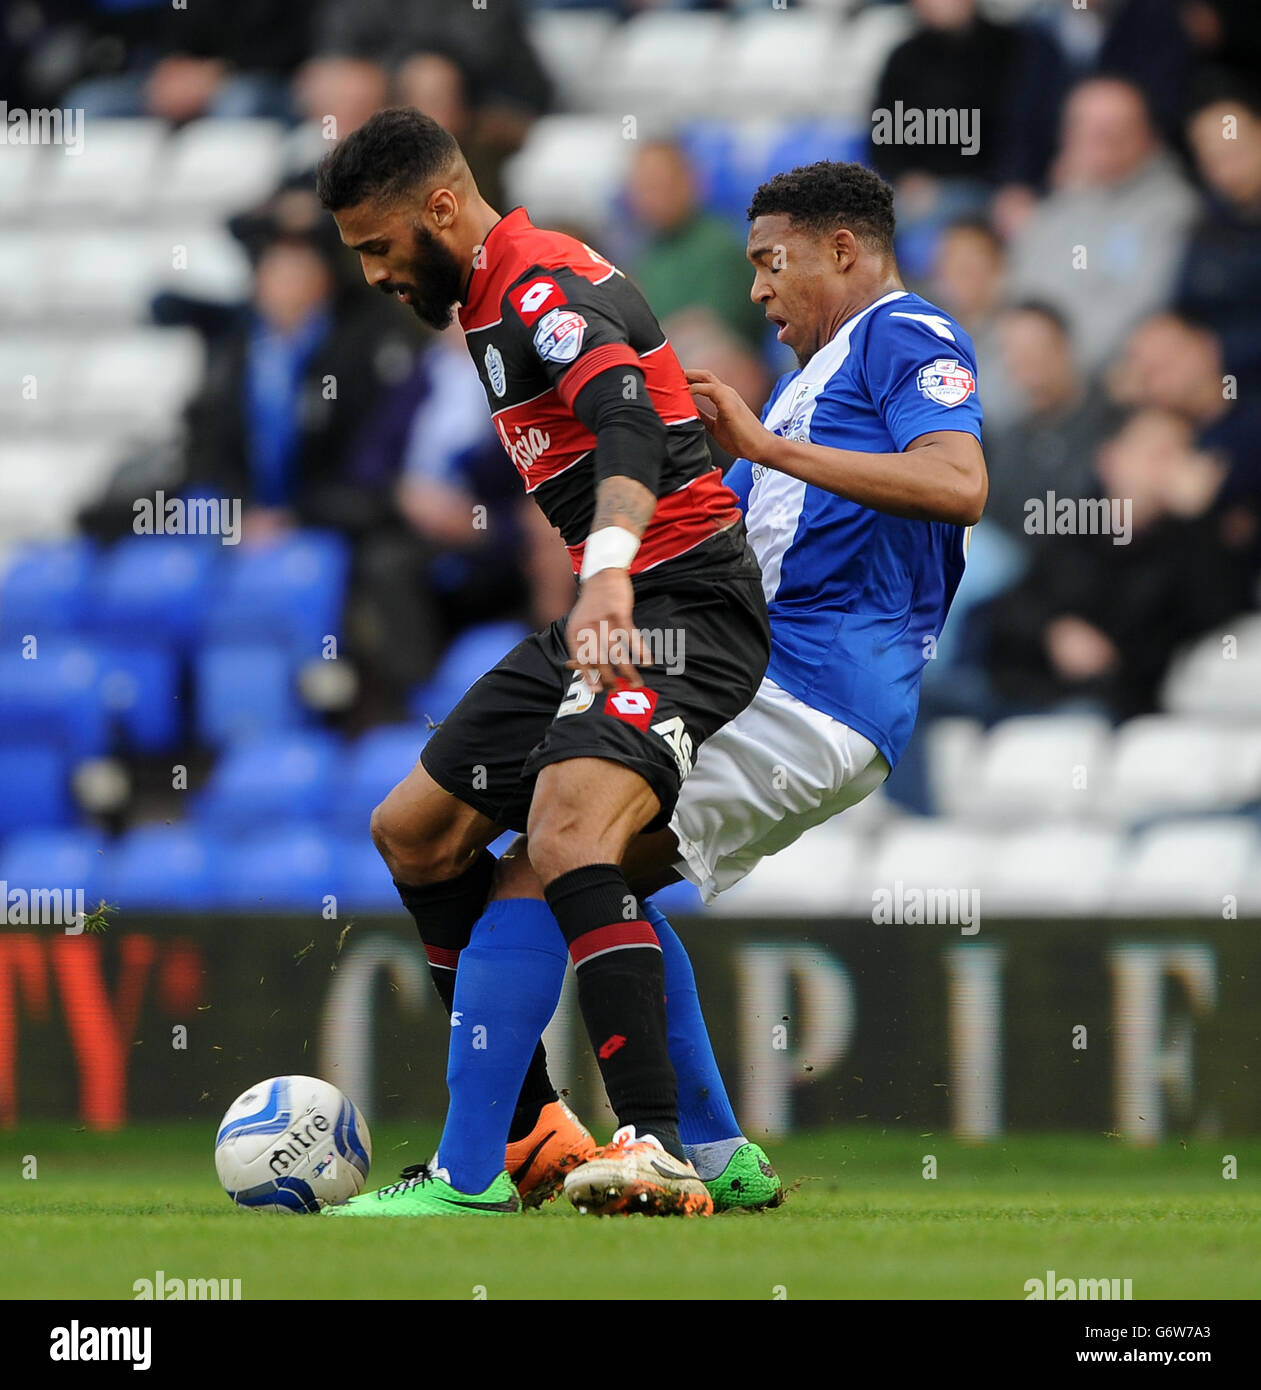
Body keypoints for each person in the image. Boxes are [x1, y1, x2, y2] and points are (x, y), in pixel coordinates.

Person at [322, 153, 988, 1218]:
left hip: (805, 687)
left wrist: (759, 451)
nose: (758, 290)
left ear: (845, 250)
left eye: (772, 265)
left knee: (553, 852)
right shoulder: (817, 378)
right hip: (763, 664)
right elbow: (742, 524)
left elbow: (960, 484)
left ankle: (484, 1170)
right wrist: (731, 457)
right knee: (568, 866)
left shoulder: (905, 336)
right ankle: (708, 1147)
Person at [316, 108, 772, 1218]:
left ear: (439, 207)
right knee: (413, 831)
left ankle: (651, 1144)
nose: (373, 273)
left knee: (569, 833)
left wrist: (609, 569)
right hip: (610, 603)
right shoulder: (482, 299)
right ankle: (537, 1129)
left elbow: (626, 423)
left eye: (378, 246)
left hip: (677, 603)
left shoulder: (535, 289)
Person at [1005, 75, 1200, 371]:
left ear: (1148, 134)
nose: (1096, 140)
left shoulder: (1172, 211)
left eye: (1112, 130)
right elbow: (1014, 295)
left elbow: (1134, 317)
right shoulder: (1059, 202)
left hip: (1083, 387)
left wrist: (1048, 369)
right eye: (1083, 128)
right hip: (1010, 380)